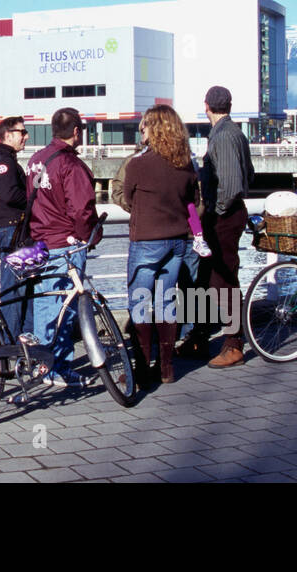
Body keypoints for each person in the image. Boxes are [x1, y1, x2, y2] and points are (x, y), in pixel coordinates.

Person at [122, 105, 197, 385]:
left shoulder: (139, 164)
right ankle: (167, 369)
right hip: (177, 241)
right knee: (166, 302)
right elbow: (193, 201)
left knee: (140, 302)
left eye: (144, 126)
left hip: (146, 241)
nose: (141, 131)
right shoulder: (185, 163)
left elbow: (128, 198)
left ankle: (142, 371)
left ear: (154, 128)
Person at [25, 106, 98, 385]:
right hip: (66, 244)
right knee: (66, 310)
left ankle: (42, 365)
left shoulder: (36, 159)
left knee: (45, 305)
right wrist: (86, 237)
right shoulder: (71, 165)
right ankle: (59, 368)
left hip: (40, 243)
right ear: (76, 132)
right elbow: (82, 210)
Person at [185, 85, 254, 369]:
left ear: (206, 106)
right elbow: (248, 174)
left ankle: (233, 343)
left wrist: (216, 211)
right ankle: (199, 336)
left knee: (222, 280)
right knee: (203, 277)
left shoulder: (223, 136)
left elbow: (231, 185)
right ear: (230, 105)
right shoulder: (235, 133)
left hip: (223, 218)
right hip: (228, 216)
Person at [0, 116, 31, 336]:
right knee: (14, 291)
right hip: (12, 232)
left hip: (11, 232)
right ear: (9, 134)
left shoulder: (2, 159)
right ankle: (11, 344)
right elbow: (10, 195)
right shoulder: (5, 162)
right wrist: (34, 199)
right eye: (22, 132)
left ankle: (22, 342)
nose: (26, 136)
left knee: (22, 287)